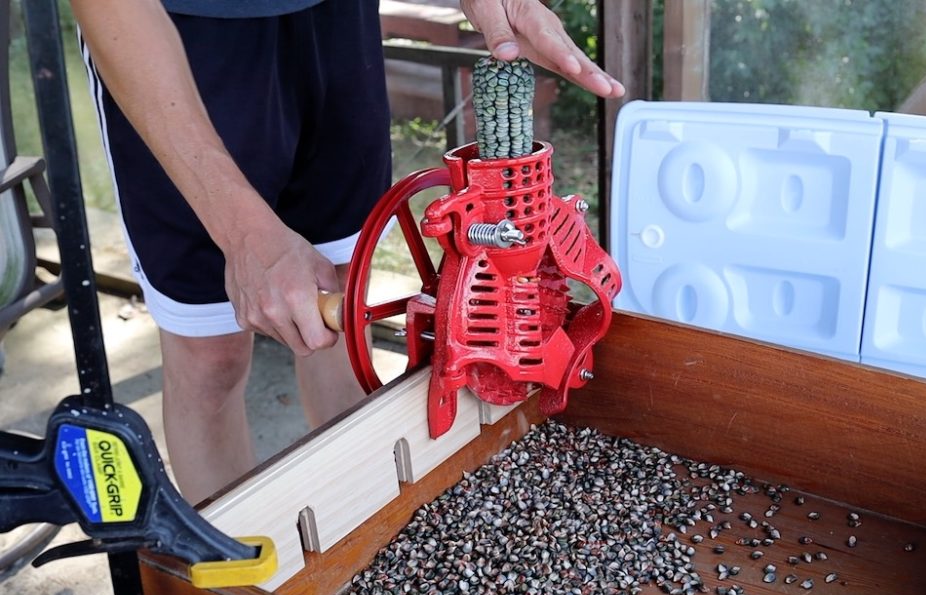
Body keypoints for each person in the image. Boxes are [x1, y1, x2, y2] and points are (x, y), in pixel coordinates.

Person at [72, 0, 625, 504]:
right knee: (210, 355)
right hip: (180, 32)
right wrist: (242, 233)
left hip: (334, 21)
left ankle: (362, 530)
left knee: (340, 299)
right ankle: (235, 583)